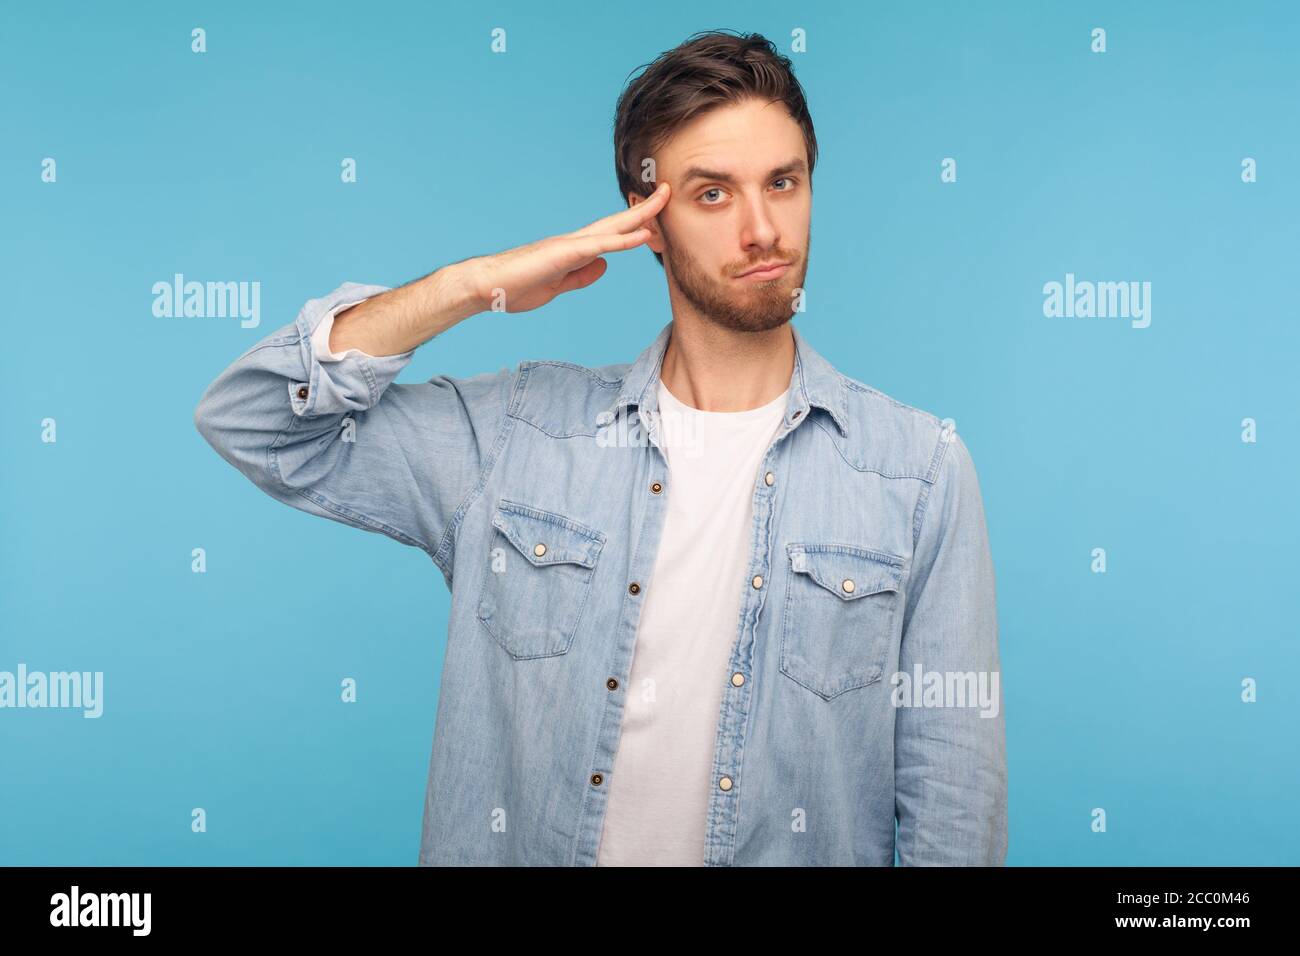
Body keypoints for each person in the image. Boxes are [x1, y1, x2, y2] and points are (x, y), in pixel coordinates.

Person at [194, 30, 1006, 866]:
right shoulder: (514, 439)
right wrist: (474, 285)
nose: (763, 230)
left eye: (783, 183)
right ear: (644, 218)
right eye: (713, 194)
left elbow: (956, 812)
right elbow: (253, 419)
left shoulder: (919, 473)